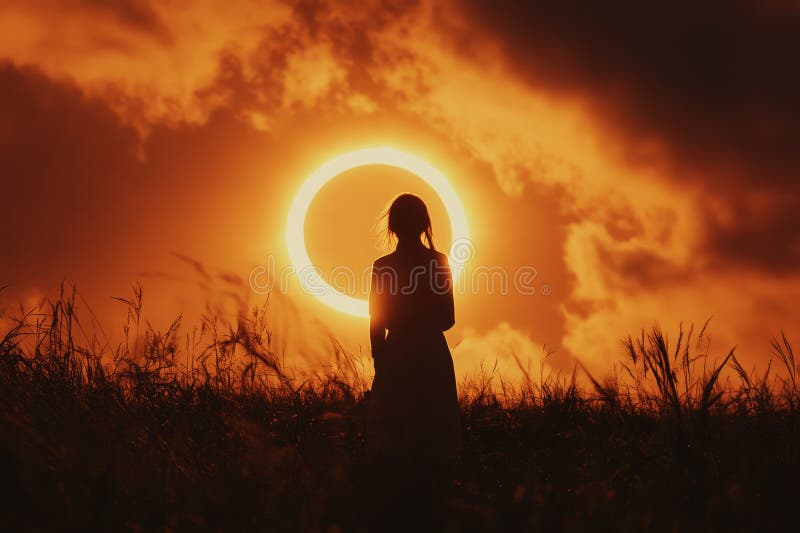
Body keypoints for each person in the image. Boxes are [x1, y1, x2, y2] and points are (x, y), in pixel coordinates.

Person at [364, 193, 462, 530]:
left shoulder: (383, 266)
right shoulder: (437, 262)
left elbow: (377, 320)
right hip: (430, 352)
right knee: (433, 435)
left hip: (397, 352)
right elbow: (447, 318)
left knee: (396, 436)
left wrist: (380, 357)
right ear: (424, 224)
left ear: (392, 226)